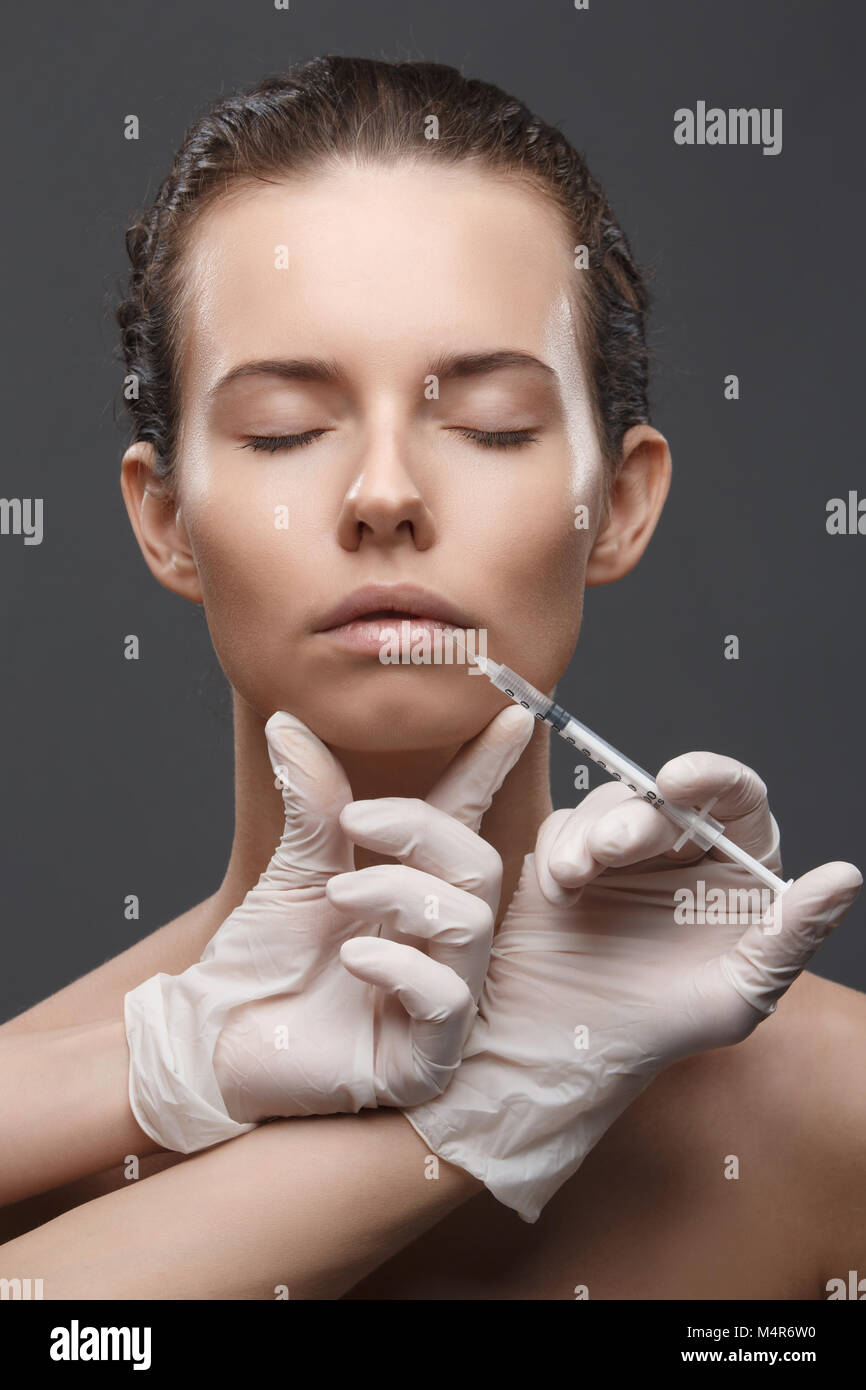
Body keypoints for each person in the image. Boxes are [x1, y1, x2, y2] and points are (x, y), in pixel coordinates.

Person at [0, 57, 862, 1300]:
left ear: (615, 505)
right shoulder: (47, 1138)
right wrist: (472, 1108)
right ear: (167, 518)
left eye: (495, 425)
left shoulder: (840, 1126)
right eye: (286, 429)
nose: (386, 494)